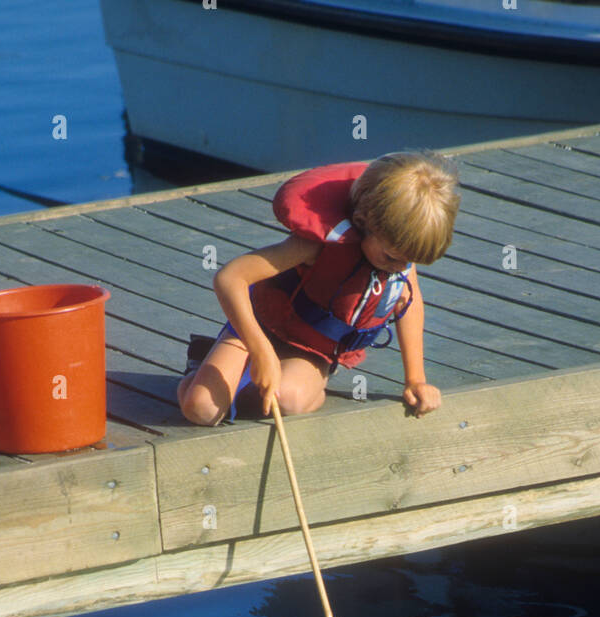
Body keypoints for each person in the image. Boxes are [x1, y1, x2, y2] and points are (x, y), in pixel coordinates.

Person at [177, 151, 460, 426]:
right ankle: (202, 365)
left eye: (408, 261)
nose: (400, 268)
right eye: (392, 258)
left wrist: (416, 380)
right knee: (201, 409)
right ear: (363, 223)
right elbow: (229, 278)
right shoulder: (316, 245)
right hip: (259, 328)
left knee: (287, 399)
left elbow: (408, 305)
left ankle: (291, 380)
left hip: (311, 351)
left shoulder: (398, 257)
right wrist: (261, 351)